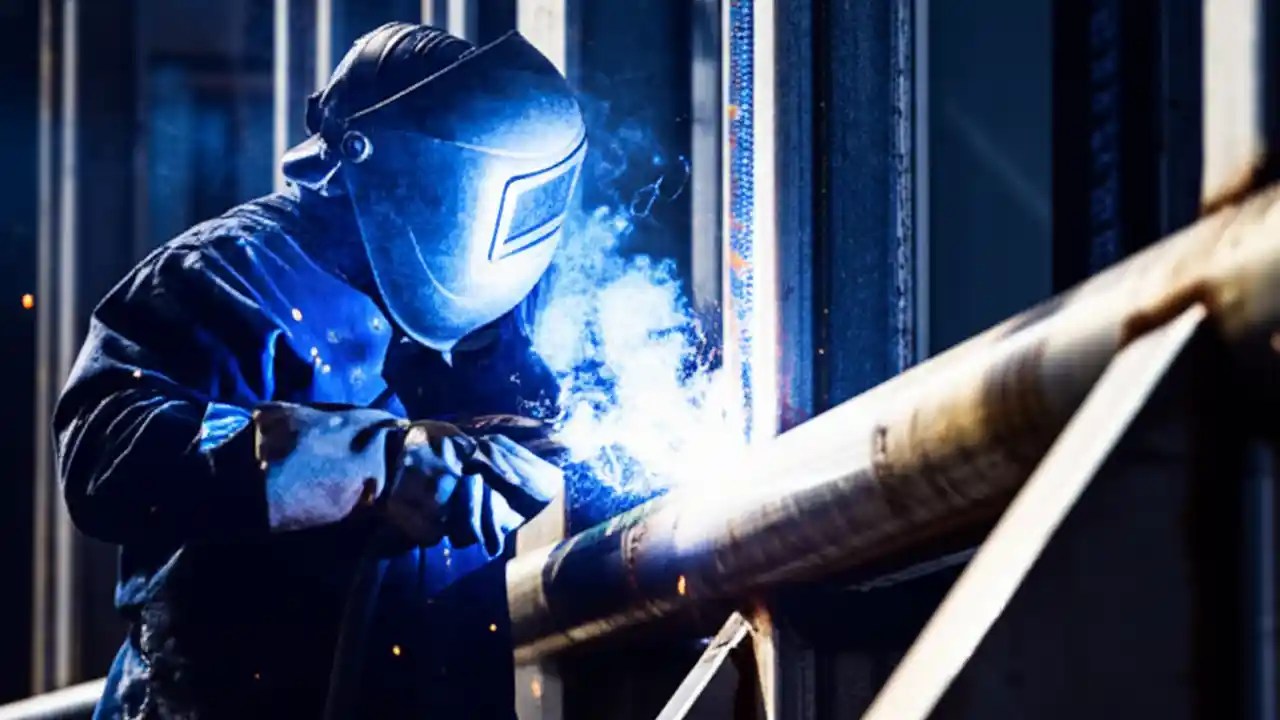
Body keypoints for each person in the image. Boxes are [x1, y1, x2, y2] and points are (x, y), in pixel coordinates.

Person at [54, 22, 587, 719]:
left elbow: (521, 416)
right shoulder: (229, 274)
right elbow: (102, 453)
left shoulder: (471, 309)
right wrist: (370, 463)